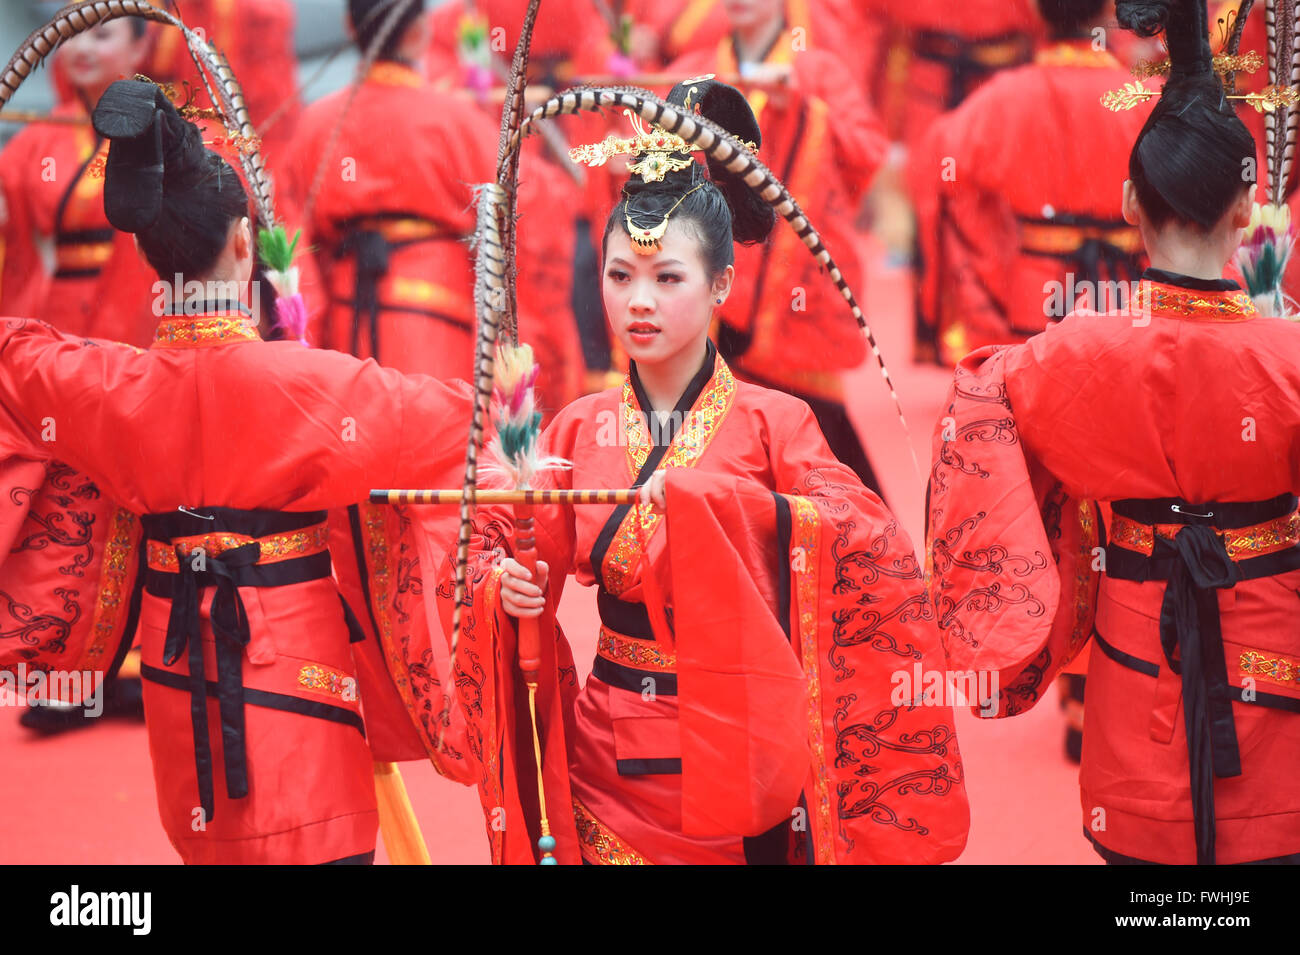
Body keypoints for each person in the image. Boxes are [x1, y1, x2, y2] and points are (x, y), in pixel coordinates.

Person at [440, 78, 970, 864]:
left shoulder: (775, 421)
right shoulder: (576, 426)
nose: (638, 302)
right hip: (607, 753)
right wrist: (503, 585)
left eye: (668, 278)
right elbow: (505, 543)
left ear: (721, 284)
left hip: (742, 749)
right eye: (620, 276)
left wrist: (719, 503)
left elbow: (869, 539)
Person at [0, 79, 480, 864]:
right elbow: (465, 426)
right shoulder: (310, 386)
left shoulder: (101, 388)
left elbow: (13, 353)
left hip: (174, 681)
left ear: (151, 256)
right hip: (298, 692)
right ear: (243, 247)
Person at [926, 0, 1300, 865]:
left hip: (1135, 674)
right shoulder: (1287, 359)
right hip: (1276, 669)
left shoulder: (1069, 356)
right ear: (1248, 212)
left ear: (1131, 202)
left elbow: (979, 417)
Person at [664, 3, 892, 494]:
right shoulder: (693, 72)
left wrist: (808, 111)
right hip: (718, 283)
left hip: (793, 282)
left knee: (817, 440)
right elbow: (639, 149)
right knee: (721, 444)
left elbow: (868, 153)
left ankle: (860, 545)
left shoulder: (818, 70)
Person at [911, 0, 1152, 367]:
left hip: (1034, 298)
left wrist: (995, 268)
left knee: (1032, 413)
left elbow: (940, 175)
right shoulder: (1145, 98)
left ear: (1037, 13)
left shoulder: (1003, 97)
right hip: (1128, 296)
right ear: (1108, 12)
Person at [283, 0, 498, 379]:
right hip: (439, 322)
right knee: (443, 431)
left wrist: (305, 339)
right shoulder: (458, 121)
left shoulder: (315, 124)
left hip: (344, 332)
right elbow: (514, 226)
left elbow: (291, 240)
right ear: (420, 31)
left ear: (351, 28)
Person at [0, 16, 155, 344]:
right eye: (71, 35)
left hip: (143, 305)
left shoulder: (162, 129)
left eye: (101, 36)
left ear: (139, 47)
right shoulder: (42, 135)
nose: (82, 48)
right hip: (57, 312)